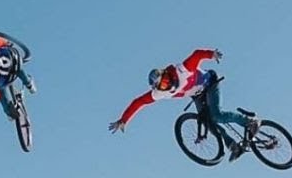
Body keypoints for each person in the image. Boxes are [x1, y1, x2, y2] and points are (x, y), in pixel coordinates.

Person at [107, 48, 259, 140]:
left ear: (167, 74)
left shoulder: (182, 70)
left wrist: (211, 54)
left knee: (217, 115)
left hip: (210, 82)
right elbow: (138, 102)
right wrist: (123, 120)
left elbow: (196, 55)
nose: (166, 86)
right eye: (162, 86)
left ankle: (249, 122)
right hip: (198, 93)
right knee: (206, 121)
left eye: (166, 81)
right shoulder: (158, 93)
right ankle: (231, 144)